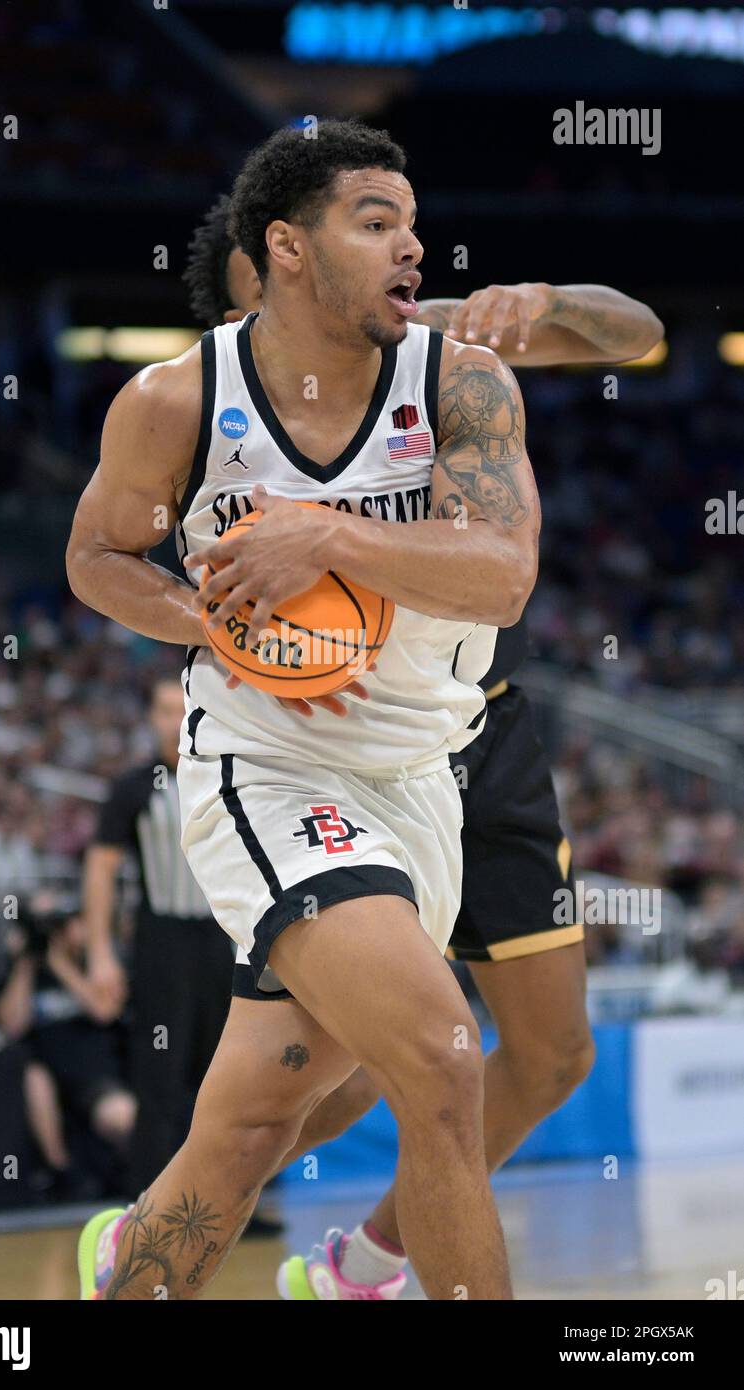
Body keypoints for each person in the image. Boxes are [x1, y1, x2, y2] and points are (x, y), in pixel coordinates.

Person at [67, 117, 543, 1301]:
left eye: (414, 225)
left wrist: (321, 537)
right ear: (285, 245)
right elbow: (96, 558)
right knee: (441, 1059)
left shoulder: (462, 384)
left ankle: (126, 1269)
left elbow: (507, 574)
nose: (413, 248)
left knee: (248, 1131)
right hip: (267, 769)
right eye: (375, 222)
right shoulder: (175, 402)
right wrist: (212, 620)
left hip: (422, 778)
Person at [180, 197, 665, 1296]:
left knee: (550, 1055)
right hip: (330, 748)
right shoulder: (195, 407)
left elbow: (633, 331)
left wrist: (545, 300)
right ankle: (165, 1224)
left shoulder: (423, 346)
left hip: (472, 723)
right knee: (344, 1066)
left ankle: (364, 1263)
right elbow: (123, 563)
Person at [83, 677, 235, 1197]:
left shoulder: (223, 775)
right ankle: (150, 1202)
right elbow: (100, 869)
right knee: (161, 1076)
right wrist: (100, 954)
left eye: (183, 708)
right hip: (161, 943)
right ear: (150, 718)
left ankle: (226, 1200)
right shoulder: (132, 788)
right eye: (165, 709)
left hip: (222, 939)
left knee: (226, 1075)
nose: (174, 719)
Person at [0, 896, 136, 1201]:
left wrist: (60, 964)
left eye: (59, 922)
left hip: (95, 1078)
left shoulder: (96, 964)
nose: (55, 932)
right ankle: (64, 1174)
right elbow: (10, 1024)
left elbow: (104, 1010)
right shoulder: (26, 971)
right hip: (49, 1076)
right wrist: (27, 963)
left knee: (124, 1116)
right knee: (35, 1078)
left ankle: (135, 1179)